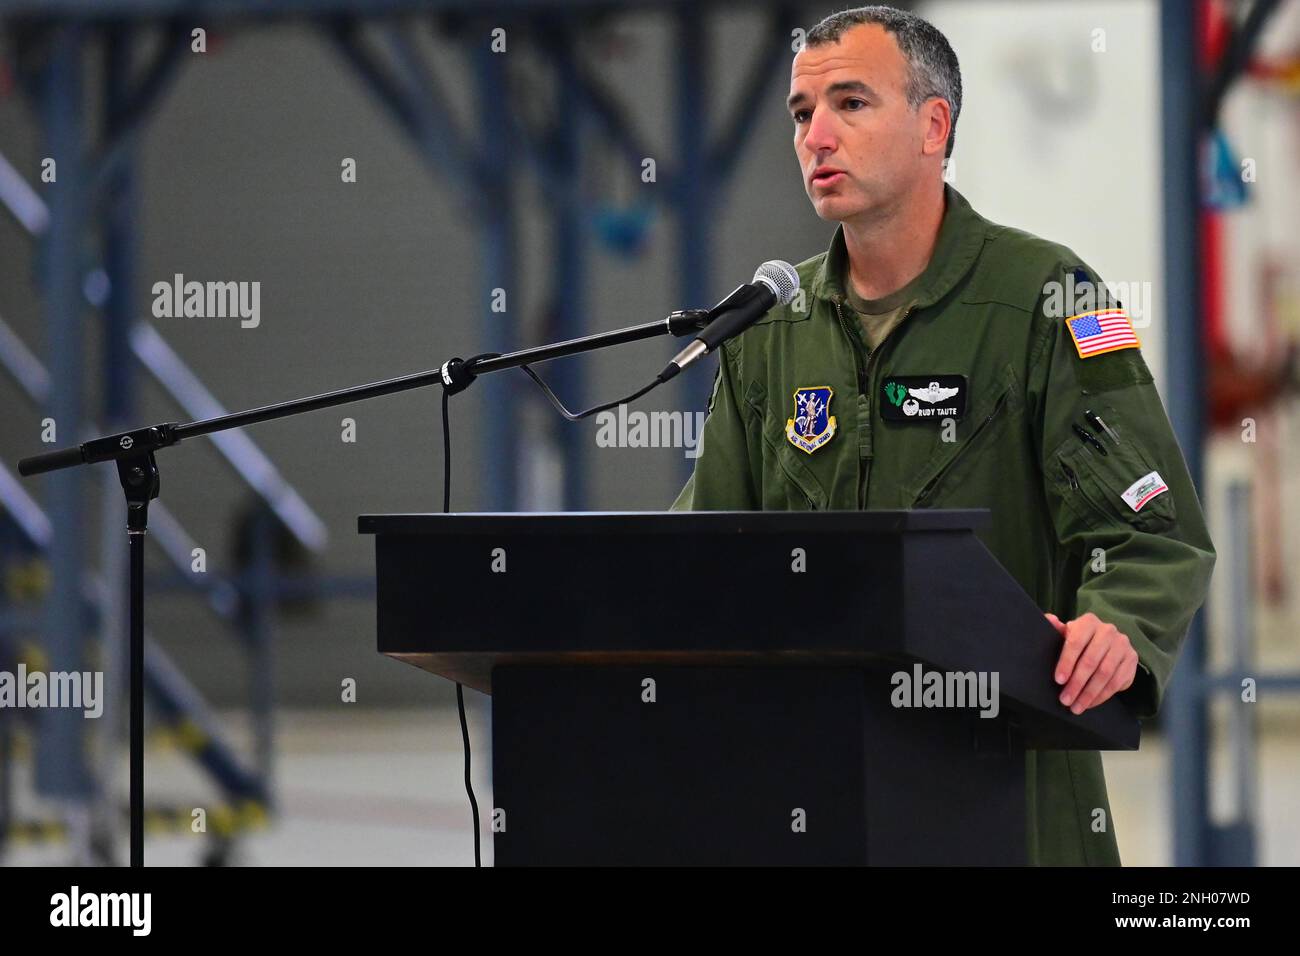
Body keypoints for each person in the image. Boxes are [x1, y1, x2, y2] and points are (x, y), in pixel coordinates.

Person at [671, 5, 1216, 866]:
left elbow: (1152, 530)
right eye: (803, 113)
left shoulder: (1049, 295)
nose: (817, 135)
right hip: (815, 796)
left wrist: (1116, 624)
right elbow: (711, 544)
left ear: (934, 125)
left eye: (851, 103)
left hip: (1007, 797)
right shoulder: (771, 326)